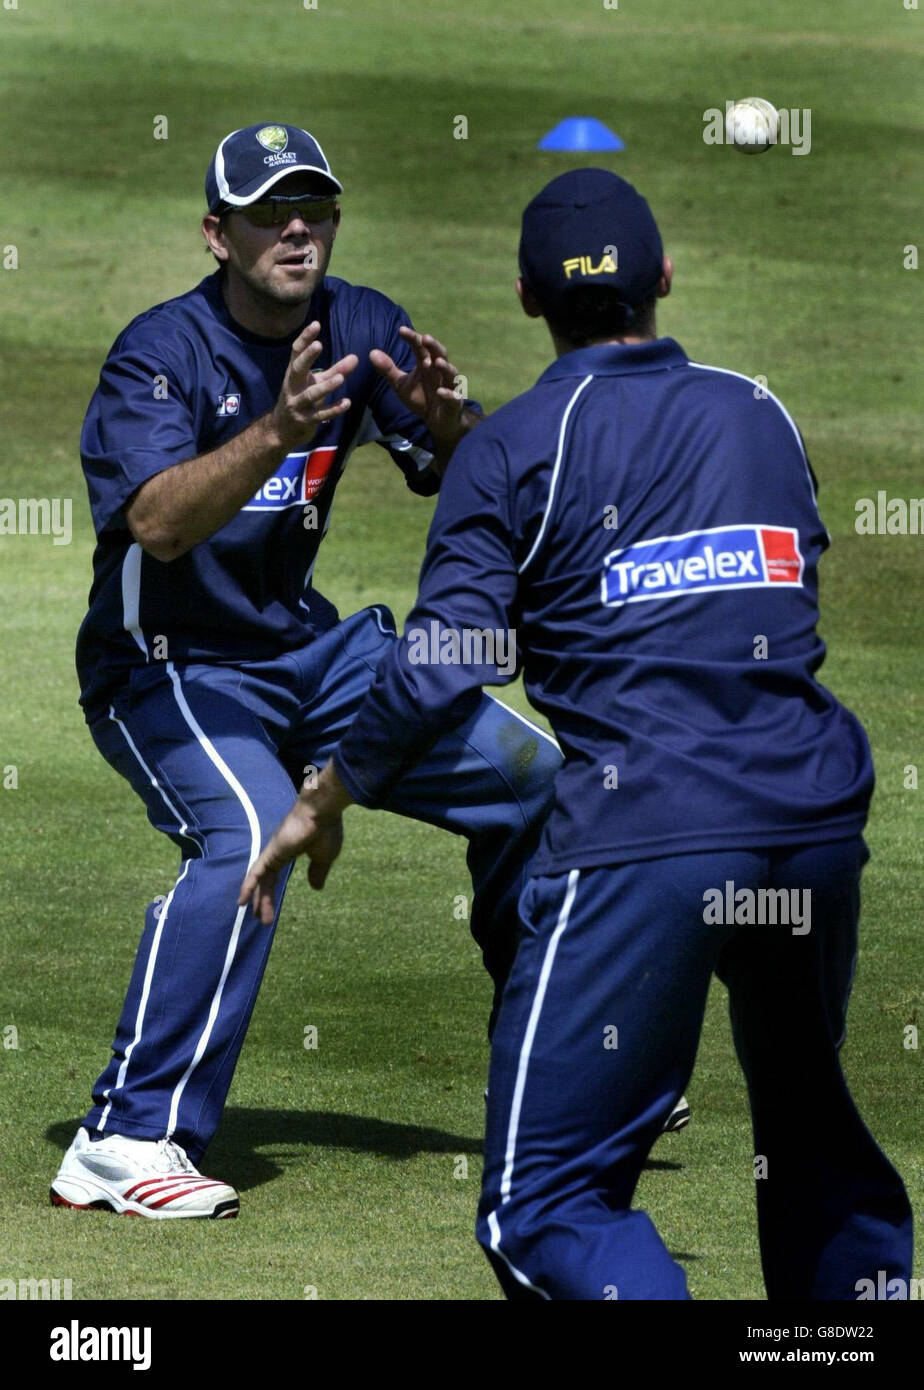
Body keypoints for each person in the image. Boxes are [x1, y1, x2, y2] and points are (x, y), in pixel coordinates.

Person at [241, 169, 913, 1298]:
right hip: (812, 823)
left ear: (523, 296)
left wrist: (325, 793)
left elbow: (446, 661)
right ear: (663, 280)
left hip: (643, 835)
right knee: (808, 1131)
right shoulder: (759, 410)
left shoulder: (511, 450)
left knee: (540, 1208)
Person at [50, 122, 562, 1220]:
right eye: (269, 210)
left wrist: (450, 424)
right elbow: (157, 525)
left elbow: (468, 478)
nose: (298, 227)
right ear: (216, 233)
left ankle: (555, 1063)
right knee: (246, 835)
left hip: (307, 652)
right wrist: (278, 430)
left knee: (535, 777)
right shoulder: (159, 354)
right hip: (166, 666)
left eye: (316, 206)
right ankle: (125, 1136)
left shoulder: (361, 323)